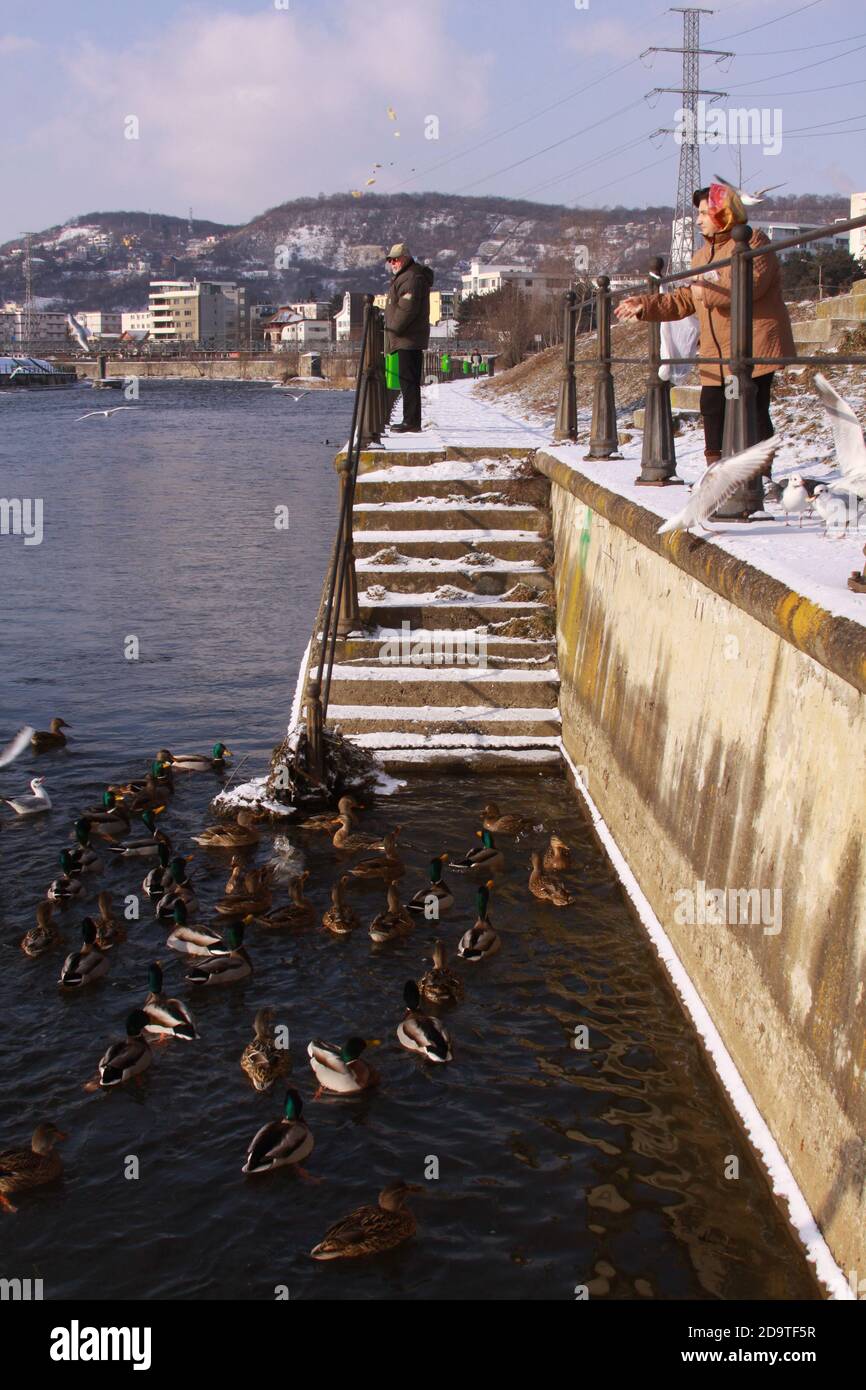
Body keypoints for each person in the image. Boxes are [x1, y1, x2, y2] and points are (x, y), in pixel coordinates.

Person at [615, 184, 794, 488]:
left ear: (723, 213)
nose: (697, 220)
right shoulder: (701, 256)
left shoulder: (753, 241)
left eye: (702, 213)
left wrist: (704, 289)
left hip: (753, 341)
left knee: (752, 407)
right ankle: (716, 476)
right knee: (712, 405)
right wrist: (644, 305)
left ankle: (760, 478)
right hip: (715, 346)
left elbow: (746, 285)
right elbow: (687, 299)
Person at [383, 242, 434, 433]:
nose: (392, 263)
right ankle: (410, 420)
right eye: (390, 260)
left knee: (408, 380)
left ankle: (411, 422)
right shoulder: (407, 276)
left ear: (404, 259)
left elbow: (407, 310)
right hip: (408, 337)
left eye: (395, 259)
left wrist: (392, 329)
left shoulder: (411, 278)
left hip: (407, 338)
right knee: (408, 380)